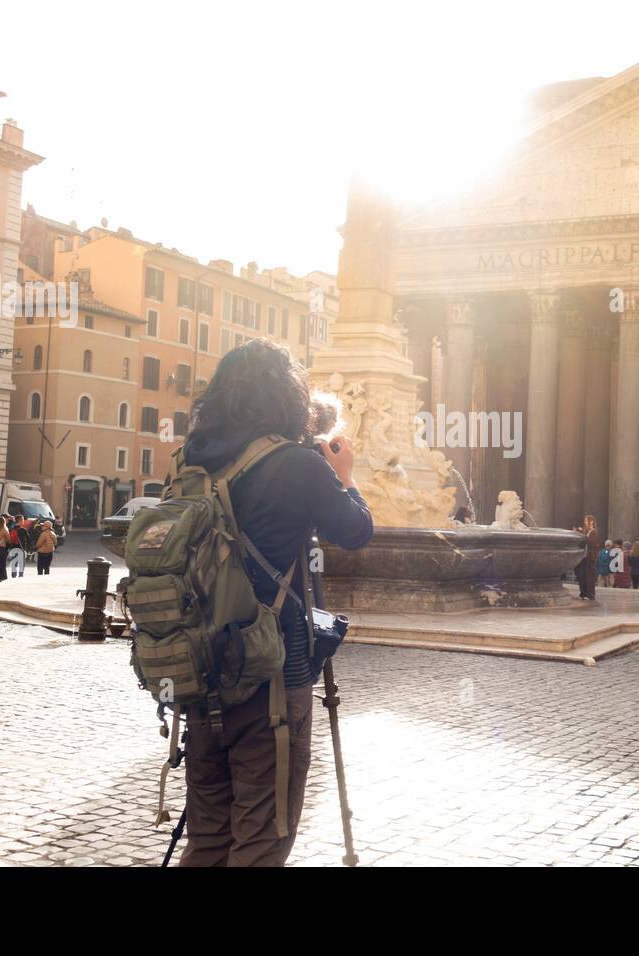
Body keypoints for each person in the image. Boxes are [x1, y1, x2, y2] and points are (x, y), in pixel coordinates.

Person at [176, 338, 373, 867]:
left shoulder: (191, 461)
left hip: (198, 674)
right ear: (288, 396)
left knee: (209, 836)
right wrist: (346, 476)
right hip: (271, 678)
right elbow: (356, 531)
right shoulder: (297, 465)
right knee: (263, 836)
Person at [575, 515, 599, 600]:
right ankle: (583, 593)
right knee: (582, 576)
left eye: (586, 521)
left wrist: (584, 536)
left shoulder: (593, 532)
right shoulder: (587, 531)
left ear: (591, 522)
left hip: (590, 558)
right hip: (584, 557)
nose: (585, 522)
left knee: (589, 577)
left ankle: (590, 594)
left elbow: (592, 543)